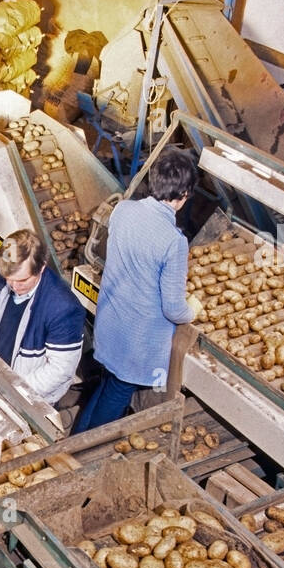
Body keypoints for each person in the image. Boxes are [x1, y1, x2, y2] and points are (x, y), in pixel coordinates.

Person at [74, 148, 203, 432]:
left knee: (109, 383)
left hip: (111, 321)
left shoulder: (124, 209)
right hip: (137, 338)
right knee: (118, 391)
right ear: (183, 197)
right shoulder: (174, 241)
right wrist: (191, 310)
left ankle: (76, 439)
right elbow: (172, 308)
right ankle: (85, 452)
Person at [0, 229, 85, 405]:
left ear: (42, 267)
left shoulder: (63, 308)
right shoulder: (1, 276)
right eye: (9, 278)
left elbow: (60, 370)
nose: (13, 285)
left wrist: (13, 391)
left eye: (22, 280)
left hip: (28, 395)